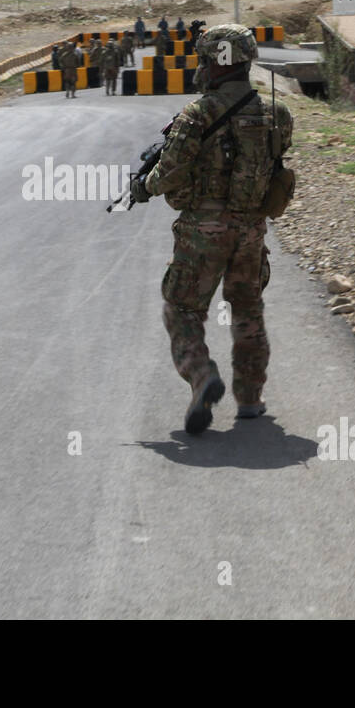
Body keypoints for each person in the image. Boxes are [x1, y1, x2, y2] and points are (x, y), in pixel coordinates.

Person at [129, 25, 294, 435]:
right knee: (248, 312)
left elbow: (170, 172)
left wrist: (143, 187)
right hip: (251, 229)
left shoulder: (196, 114)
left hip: (203, 231)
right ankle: (251, 400)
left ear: (213, 63)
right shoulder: (277, 113)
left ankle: (202, 377)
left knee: (182, 308)